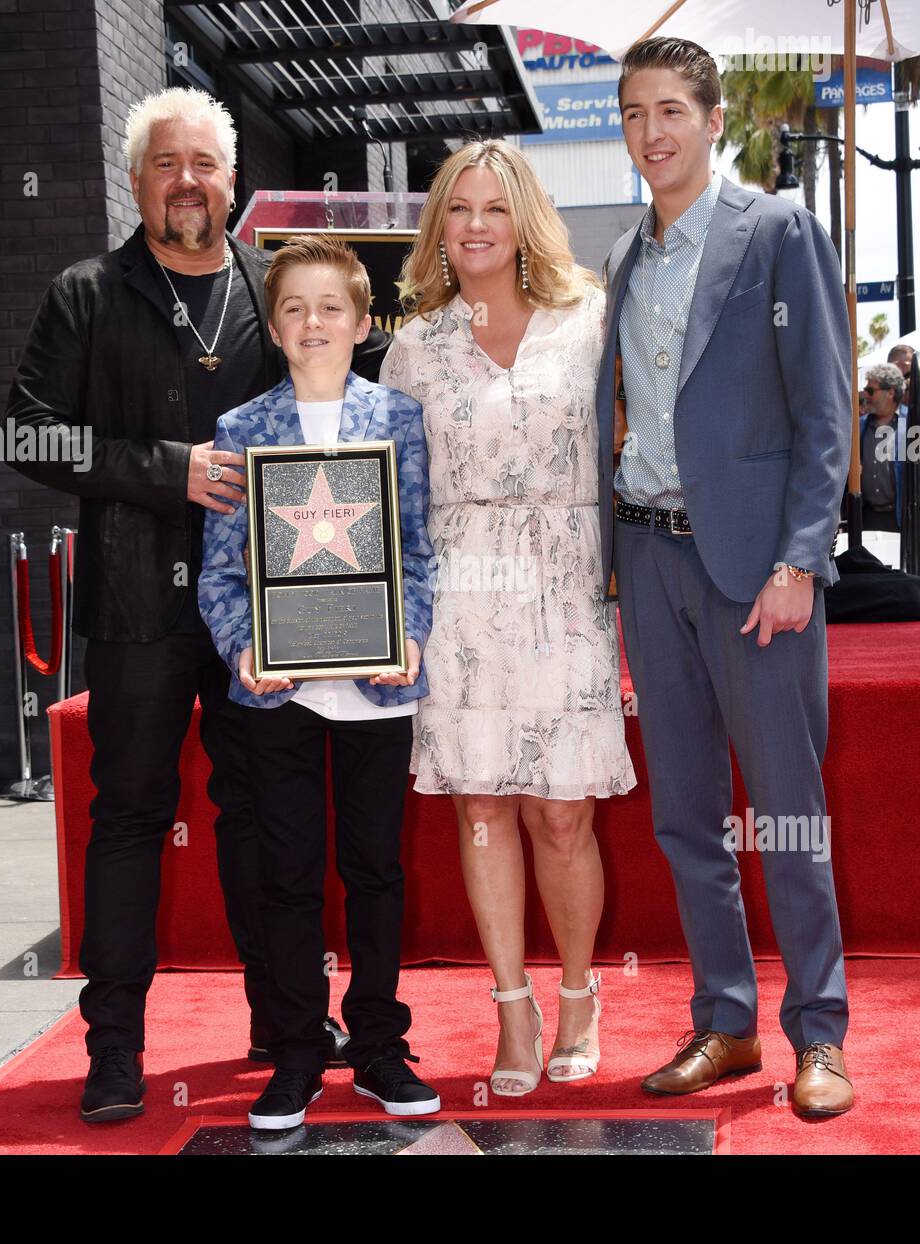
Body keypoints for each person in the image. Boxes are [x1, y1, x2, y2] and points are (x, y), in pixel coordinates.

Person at [4, 88, 355, 1122]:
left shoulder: (275, 287)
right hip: (136, 605)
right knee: (129, 819)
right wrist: (170, 467)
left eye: (205, 162)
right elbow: (25, 434)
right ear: (136, 179)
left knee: (267, 817)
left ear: (232, 178)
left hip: (265, 606)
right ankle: (113, 1045)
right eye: (168, 163)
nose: (188, 181)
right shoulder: (84, 294)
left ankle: (282, 1013)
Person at [597, 37, 853, 1118]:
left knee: (787, 811)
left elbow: (824, 411)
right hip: (649, 559)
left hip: (755, 571)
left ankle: (821, 1034)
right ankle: (727, 1019)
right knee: (685, 814)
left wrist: (800, 557)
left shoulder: (776, 232)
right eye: (632, 113)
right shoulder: (624, 259)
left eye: (669, 110)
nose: (650, 132)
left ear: (713, 121)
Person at [381, 139, 636, 1098]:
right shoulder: (414, 346)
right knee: (481, 807)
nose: (476, 225)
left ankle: (578, 996)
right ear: (438, 226)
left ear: (525, 217)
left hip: (566, 587)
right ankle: (511, 1008)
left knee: (563, 813)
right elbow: (393, 492)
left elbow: (634, 444)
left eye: (494, 207)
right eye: (458, 208)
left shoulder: (589, 321)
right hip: (459, 598)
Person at [198, 235, 440, 1129]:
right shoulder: (239, 431)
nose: (313, 323)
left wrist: (409, 635)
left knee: (376, 869)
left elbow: (418, 551)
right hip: (279, 694)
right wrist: (240, 650)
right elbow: (220, 575)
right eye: (294, 309)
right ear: (273, 325)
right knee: (289, 874)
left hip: (378, 688)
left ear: (363, 321)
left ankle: (378, 1044)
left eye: (330, 308)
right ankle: (299, 1052)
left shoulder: (400, 421)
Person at [858, 362, 920, 537]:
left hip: (905, 518)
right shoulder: (860, 425)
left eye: (871, 390)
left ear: (890, 392)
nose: (865, 395)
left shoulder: (919, 420)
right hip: (867, 517)